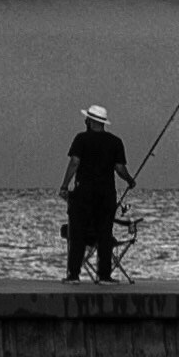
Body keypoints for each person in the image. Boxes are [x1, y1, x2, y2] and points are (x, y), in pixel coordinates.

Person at [61, 101, 128, 279]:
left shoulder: (81, 139)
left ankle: (73, 275)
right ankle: (104, 276)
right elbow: (120, 169)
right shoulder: (116, 142)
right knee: (105, 235)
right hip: (106, 195)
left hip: (83, 194)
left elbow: (75, 162)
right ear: (104, 123)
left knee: (78, 235)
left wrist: (64, 185)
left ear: (90, 121)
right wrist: (130, 180)